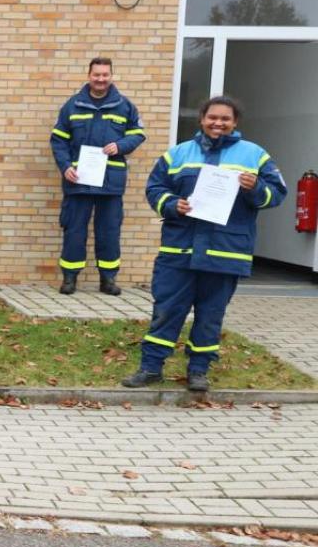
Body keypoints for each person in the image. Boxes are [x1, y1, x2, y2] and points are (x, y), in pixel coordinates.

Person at [122, 96, 287, 392]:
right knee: (166, 310)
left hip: (225, 253)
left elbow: (277, 194)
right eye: (213, 117)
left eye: (225, 119)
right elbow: (154, 188)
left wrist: (256, 188)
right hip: (179, 251)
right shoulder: (178, 154)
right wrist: (172, 204)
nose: (218, 123)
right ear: (201, 119)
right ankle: (150, 368)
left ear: (235, 122)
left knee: (211, 316)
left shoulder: (254, 155)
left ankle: (198, 371)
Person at [49, 57, 146, 295]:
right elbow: (58, 140)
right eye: (96, 75)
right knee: (74, 230)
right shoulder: (72, 105)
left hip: (110, 182)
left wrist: (121, 146)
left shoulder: (125, 106)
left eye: (105, 74)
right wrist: (64, 167)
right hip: (78, 181)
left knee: (109, 231)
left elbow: (138, 134)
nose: (101, 79)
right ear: (89, 75)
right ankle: (70, 279)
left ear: (111, 75)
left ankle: (108, 280)